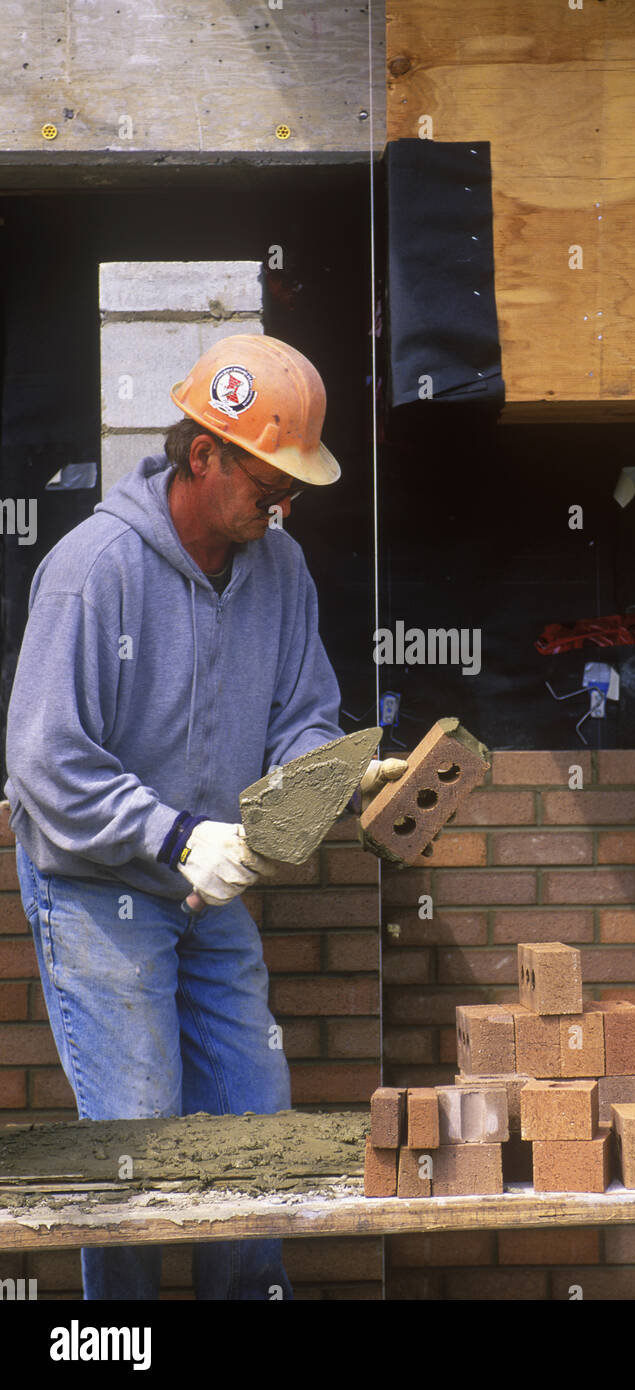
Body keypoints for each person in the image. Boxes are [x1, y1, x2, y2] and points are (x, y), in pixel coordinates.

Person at [4, 333, 404, 1300]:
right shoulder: (92, 568)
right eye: (269, 479)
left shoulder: (282, 569)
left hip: (208, 886)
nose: (284, 502)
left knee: (252, 1123)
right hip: (100, 886)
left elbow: (301, 711)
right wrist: (178, 835)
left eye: (293, 484)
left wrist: (327, 778)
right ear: (203, 456)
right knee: (141, 1140)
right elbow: (44, 761)